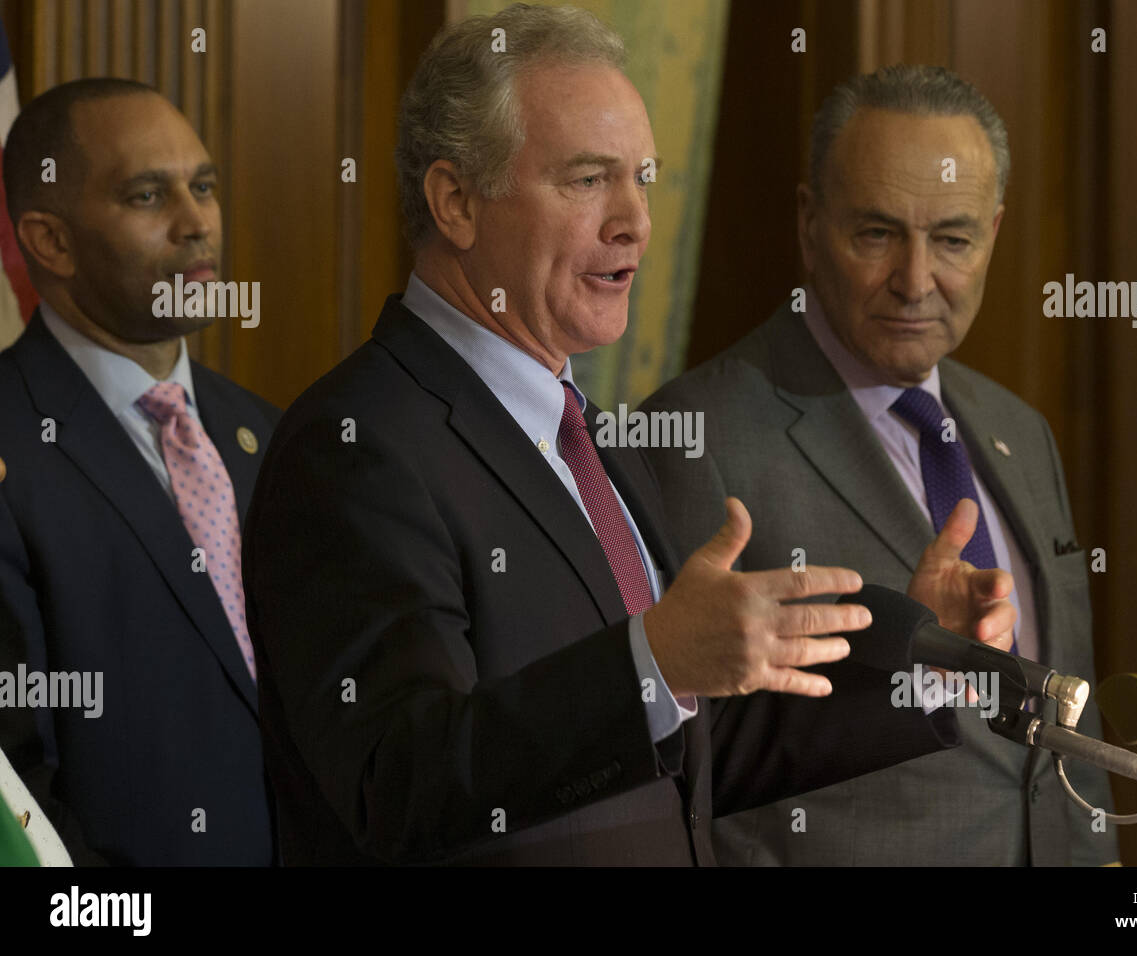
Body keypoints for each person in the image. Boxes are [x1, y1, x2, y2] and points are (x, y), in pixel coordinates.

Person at [243, 6, 1014, 866]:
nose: (635, 222)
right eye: (587, 180)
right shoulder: (356, 445)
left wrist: (923, 661)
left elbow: (685, 752)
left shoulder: (583, 431)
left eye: (643, 180)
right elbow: (397, 779)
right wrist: (652, 661)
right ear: (455, 200)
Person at [642, 65, 1120, 866]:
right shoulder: (693, 438)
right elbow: (677, 762)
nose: (915, 280)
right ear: (808, 223)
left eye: (953, 240)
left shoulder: (1019, 431)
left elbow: (1068, 735)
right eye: (876, 233)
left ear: (994, 234)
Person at [0, 79, 278, 865]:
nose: (197, 223)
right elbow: (14, 791)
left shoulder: (269, 430)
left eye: (204, 186)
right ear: (50, 241)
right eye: (148, 195)